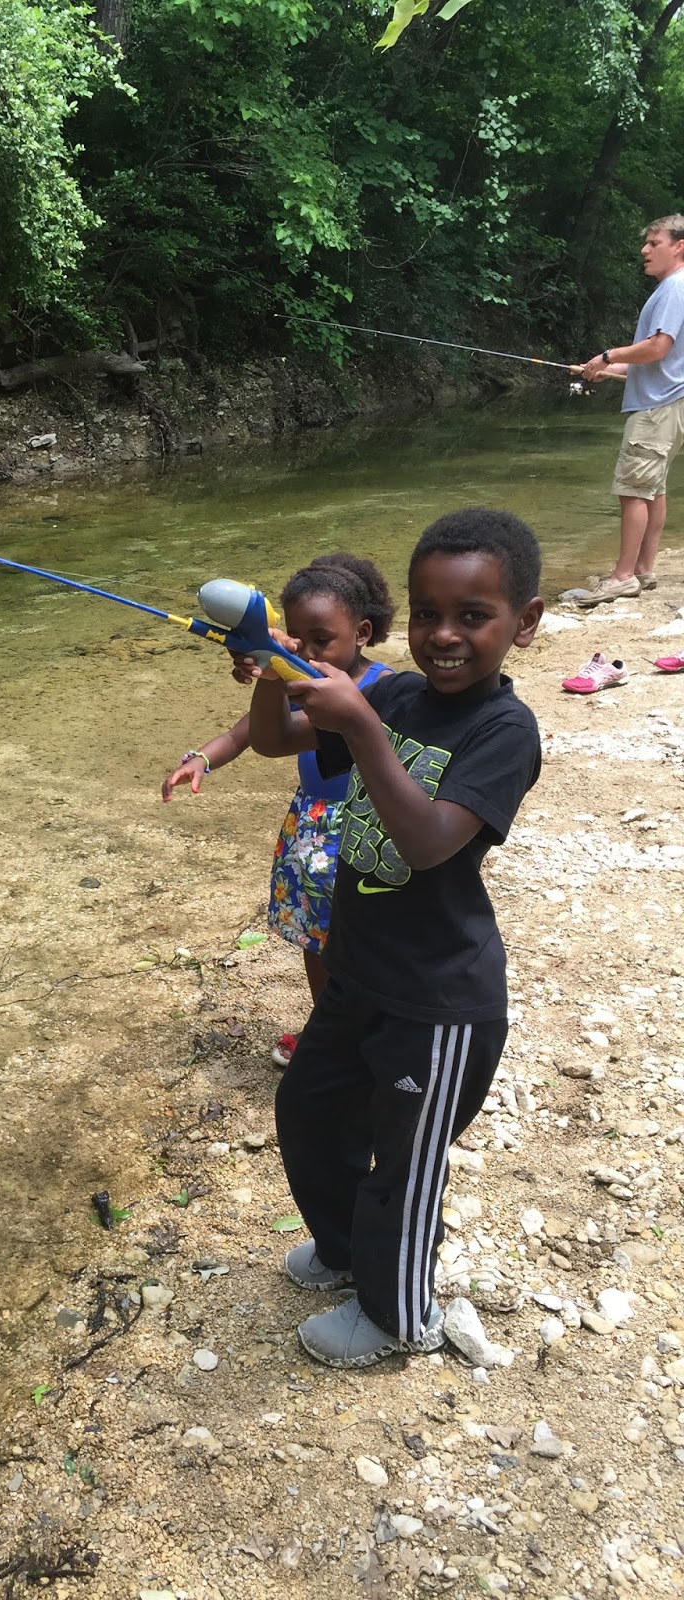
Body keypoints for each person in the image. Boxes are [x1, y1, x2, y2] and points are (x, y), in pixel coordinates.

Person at [244, 508, 543, 1368]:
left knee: (405, 1166)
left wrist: (364, 725)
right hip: (361, 974)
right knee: (306, 1110)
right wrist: (273, 664)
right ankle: (346, 1253)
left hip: (439, 1001)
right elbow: (275, 740)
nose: (443, 636)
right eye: (427, 614)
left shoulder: (503, 732)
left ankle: (397, 1314)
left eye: (472, 616)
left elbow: (425, 841)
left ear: (524, 624)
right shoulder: (402, 693)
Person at [161, 555, 395, 1064]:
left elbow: (341, 737)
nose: (304, 650)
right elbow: (246, 734)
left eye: (320, 639)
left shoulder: (382, 688)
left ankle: (373, 1036)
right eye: (293, 636)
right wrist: (204, 756)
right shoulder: (292, 679)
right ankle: (326, 1030)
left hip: (364, 831)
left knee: (366, 945)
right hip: (308, 829)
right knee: (315, 942)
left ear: (362, 632)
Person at [574, 214, 684, 606]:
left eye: (654, 242)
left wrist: (608, 353)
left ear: (679, 246)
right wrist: (608, 368)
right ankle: (643, 570)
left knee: (633, 489)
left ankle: (622, 577)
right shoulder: (674, 288)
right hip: (669, 403)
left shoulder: (674, 288)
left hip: (657, 406)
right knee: (653, 489)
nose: (645, 250)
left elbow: (658, 348)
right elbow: (660, 358)